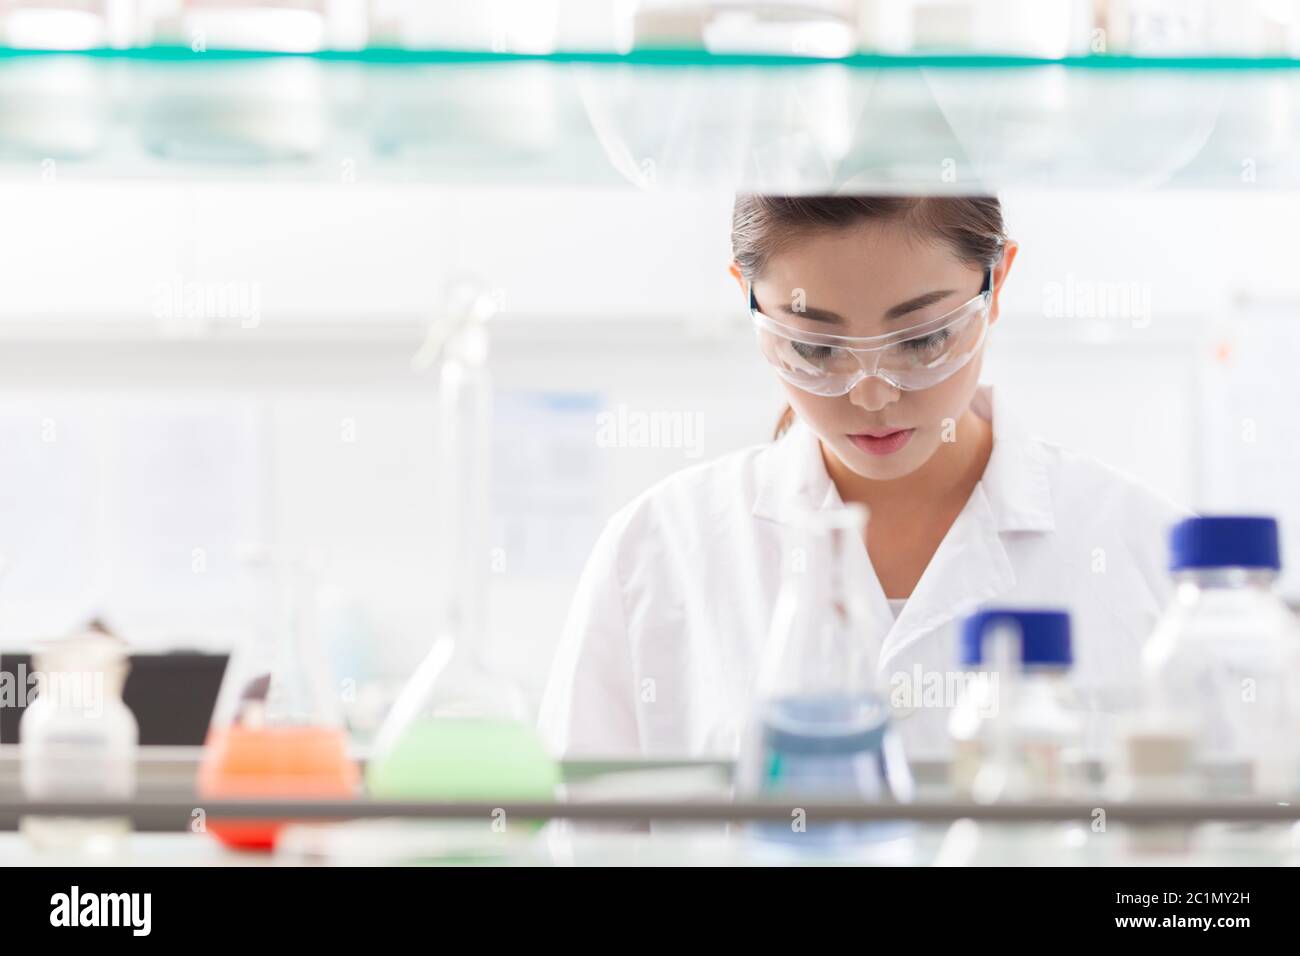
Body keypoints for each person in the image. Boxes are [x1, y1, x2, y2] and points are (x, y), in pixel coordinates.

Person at [538, 195, 1192, 761]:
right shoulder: (654, 554)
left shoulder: (1147, 555)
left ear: (999, 280)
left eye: (924, 340)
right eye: (815, 349)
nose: (873, 395)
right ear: (747, 293)